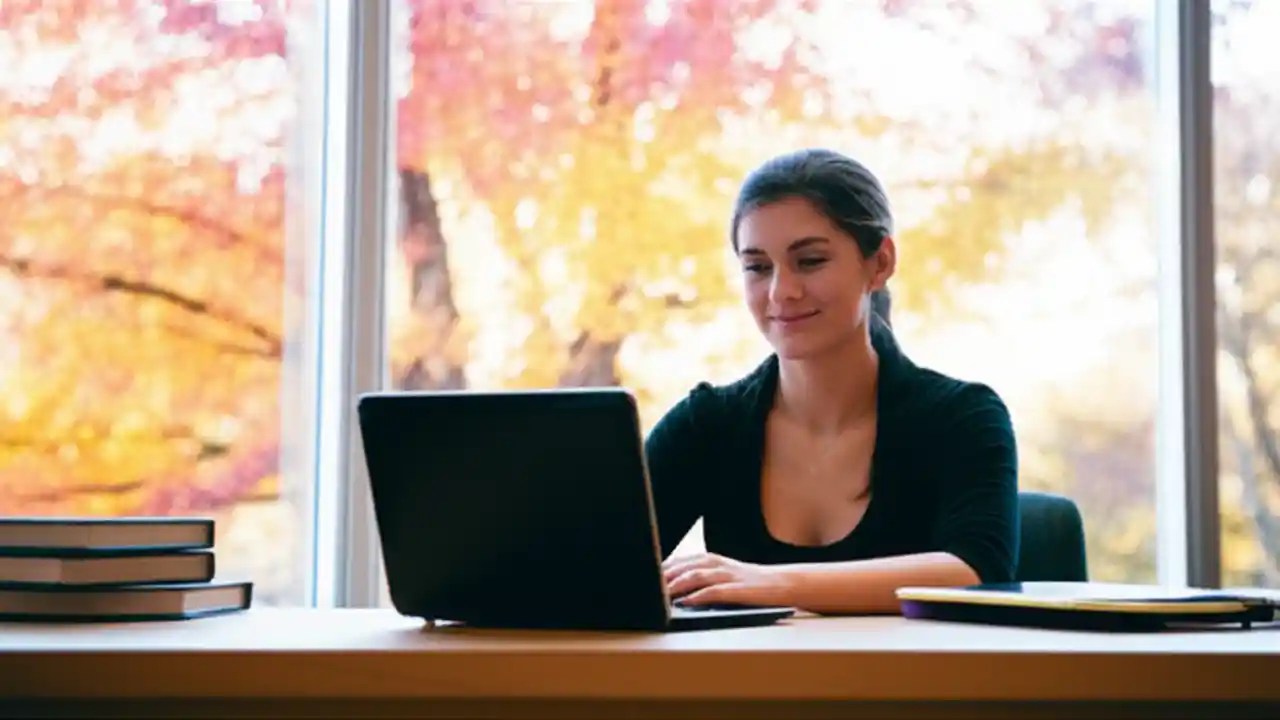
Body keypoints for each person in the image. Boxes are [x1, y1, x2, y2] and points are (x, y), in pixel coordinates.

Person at [646, 148, 1019, 615]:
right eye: (758, 267)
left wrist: (773, 584)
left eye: (810, 261)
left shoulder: (963, 417)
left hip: (915, 687)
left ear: (879, 263)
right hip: (747, 688)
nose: (782, 291)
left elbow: (976, 572)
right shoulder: (707, 424)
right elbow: (595, 563)